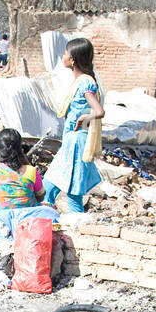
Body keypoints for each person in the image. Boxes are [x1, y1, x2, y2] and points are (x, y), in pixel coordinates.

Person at [42, 38, 104, 214]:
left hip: (76, 143)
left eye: (65, 53)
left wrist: (86, 116)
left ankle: (79, 228)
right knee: (49, 186)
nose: (63, 56)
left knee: (73, 193)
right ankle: (47, 222)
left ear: (73, 59)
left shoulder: (85, 82)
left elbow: (99, 111)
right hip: (70, 142)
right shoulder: (81, 81)